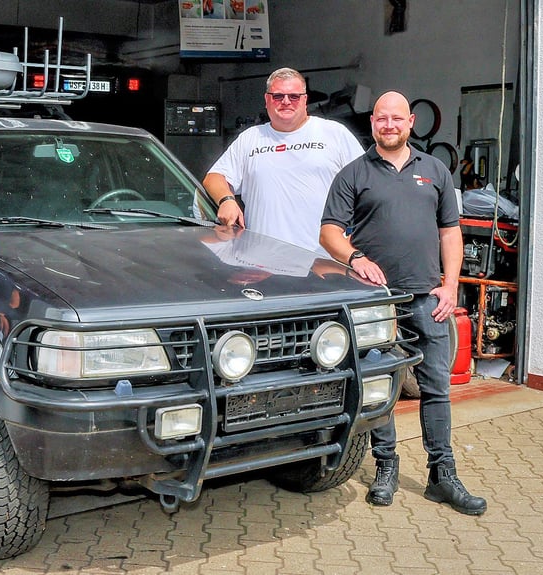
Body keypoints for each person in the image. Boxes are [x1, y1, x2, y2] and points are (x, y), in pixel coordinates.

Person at [319, 91, 487, 516]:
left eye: (396, 118)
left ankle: (442, 475)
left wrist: (450, 287)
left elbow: (451, 231)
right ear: (372, 123)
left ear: (410, 122)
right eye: (381, 118)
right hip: (376, 304)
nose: (388, 125)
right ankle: (386, 466)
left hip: (428, 297)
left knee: (435, 387)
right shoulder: (354, 173)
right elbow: (329, 233)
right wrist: (356, 258)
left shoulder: (435, 170)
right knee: (381, 389)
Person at [203, 67, 363, 254]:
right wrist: (227, 199)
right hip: (263, 262)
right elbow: (214, 177)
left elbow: (368, 186)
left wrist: (357, 239)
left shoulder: (335, 133)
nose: (286, 102)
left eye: (294, 96)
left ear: (305, 100)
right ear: (267, 100)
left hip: (323, 263)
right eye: (278, 96)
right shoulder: (251, 138)